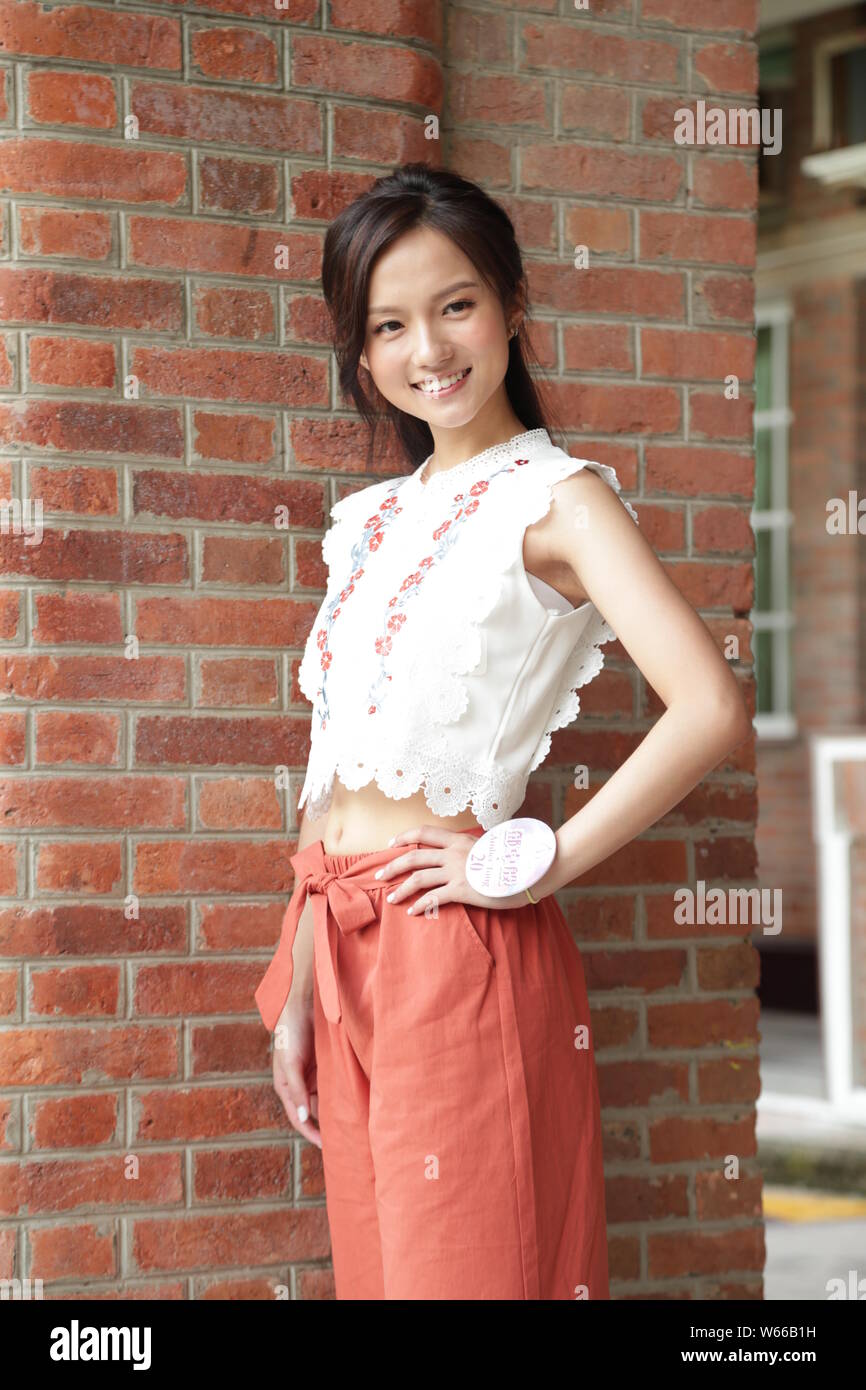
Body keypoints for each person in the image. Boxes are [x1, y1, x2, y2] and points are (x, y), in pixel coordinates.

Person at [254, 164, 752, 1300]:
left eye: (455, 304)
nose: (427, 348)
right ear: (362, 354)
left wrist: (536, 862)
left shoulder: (560, 498)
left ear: (511, 306)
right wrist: (294, 994)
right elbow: (329, 769)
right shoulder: (367, 522)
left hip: (454, 945)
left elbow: (709, 707)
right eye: (387, 325)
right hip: (341, 946)